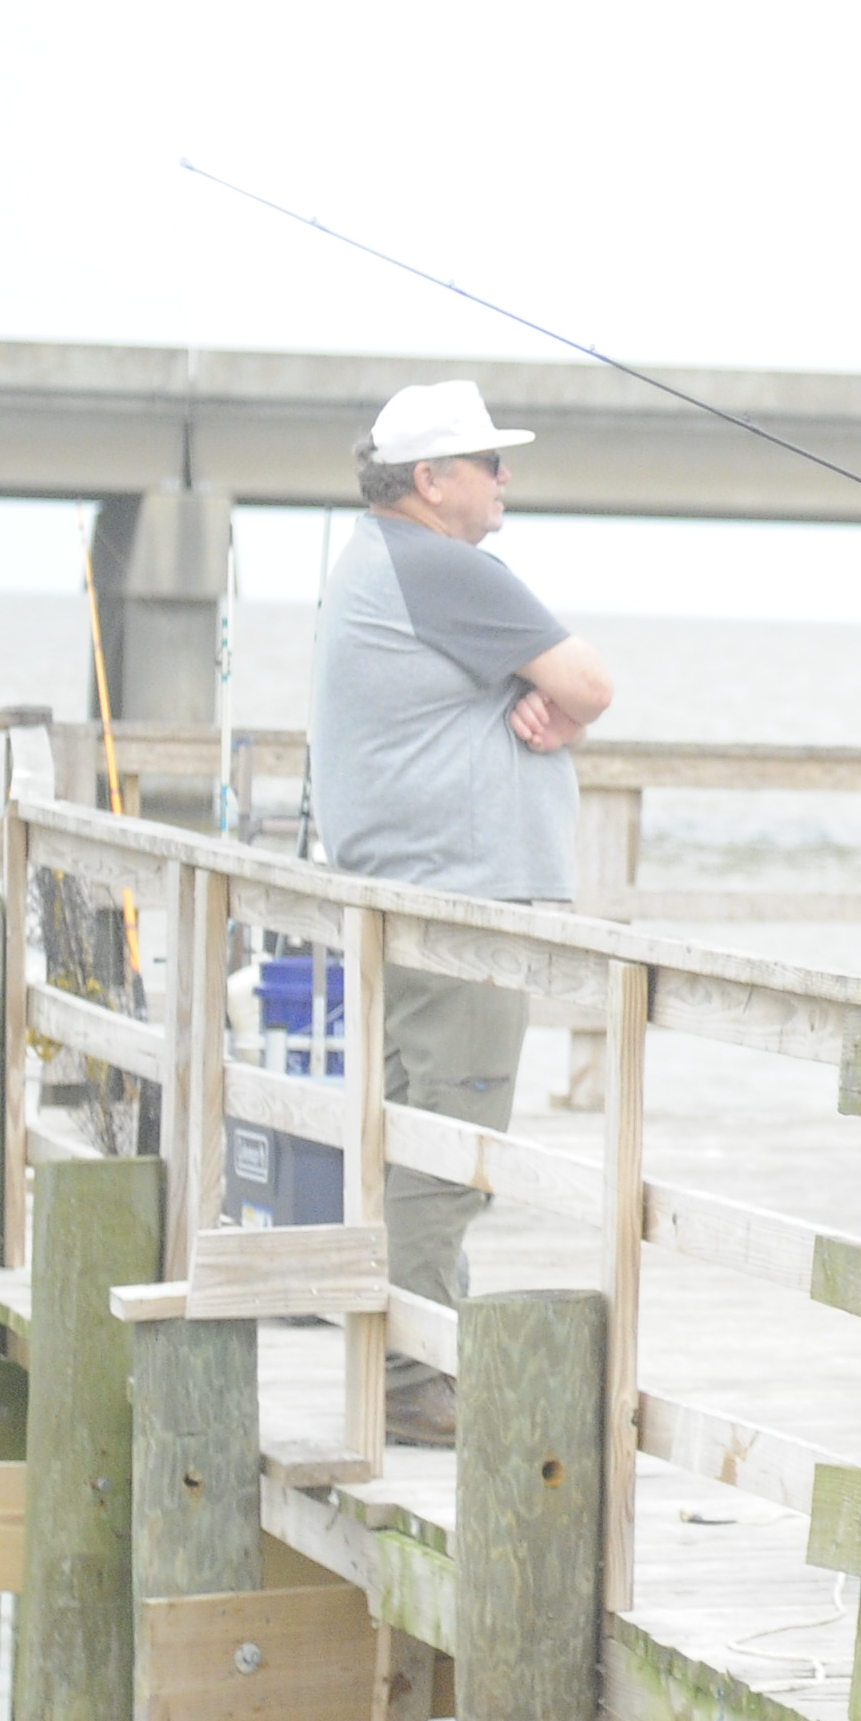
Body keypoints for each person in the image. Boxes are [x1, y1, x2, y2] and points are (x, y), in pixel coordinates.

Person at [307, 379, 617, 1446]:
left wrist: (555, 714)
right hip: (460, 894)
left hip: (417, 889)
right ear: (430, 481)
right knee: (452, 1135)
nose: (504, 479)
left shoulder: (383, 561)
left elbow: (561, 699)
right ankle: (413, 1378)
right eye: (487, 462)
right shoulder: (441, 565)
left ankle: (405, 1347)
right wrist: (565, 704)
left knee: (411, 1129)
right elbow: (590, 680)